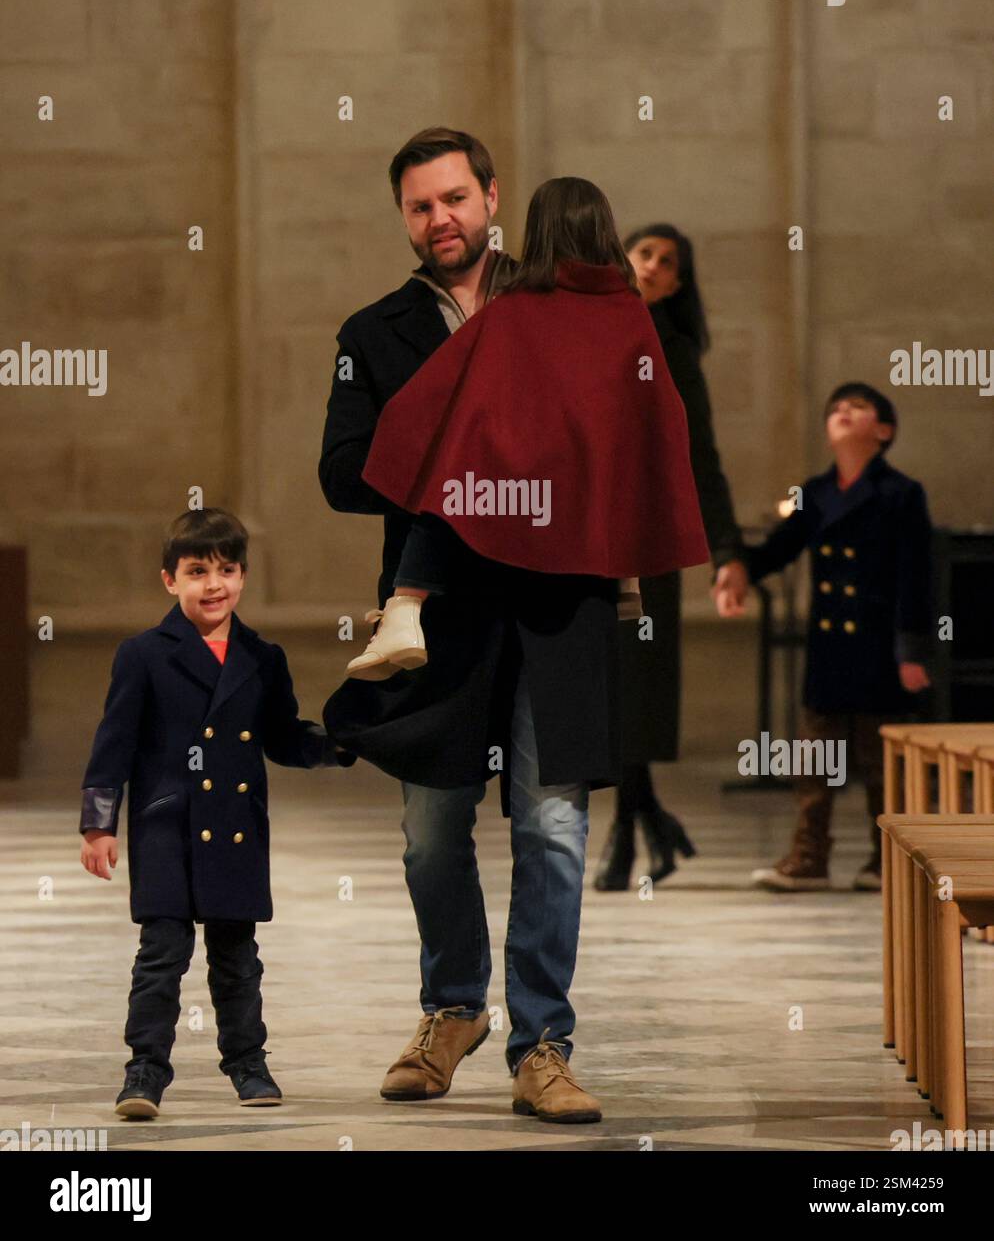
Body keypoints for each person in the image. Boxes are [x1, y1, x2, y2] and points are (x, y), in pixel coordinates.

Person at [318, 129, 708, 1124]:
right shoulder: (374, 329)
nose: (439, 218)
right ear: (403, 218)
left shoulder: (575, 307)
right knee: (431, 836)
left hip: (561, 602)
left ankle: (542, 1042)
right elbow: (341, 470)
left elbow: (642, 427)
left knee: (554, 828)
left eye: (454, 197)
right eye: (418, 206)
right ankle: (453, 1009)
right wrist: (463, 428)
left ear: (492, 198)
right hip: (441, 608)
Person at [343, 198, 708, 682]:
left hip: (516, 483)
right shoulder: (626, 309)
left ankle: (405, 605)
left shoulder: (517, 305)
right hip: (586, 494)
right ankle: (625, 576)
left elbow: (449, 387)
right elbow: (654, 411)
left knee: (451, 477)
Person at [78, 508, 354, 1118]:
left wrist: (335, 747)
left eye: (227, 570)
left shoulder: (262, 656)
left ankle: (248, 1065)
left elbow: (281, 736)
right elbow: (113, 744)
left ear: (244, 576)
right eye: (197, 570)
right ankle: (144, 1072)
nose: (214, 584)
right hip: (166, 828)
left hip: (235, 831)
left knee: (237, 959)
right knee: (161, 958)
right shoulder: (143, 654)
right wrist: (99, 823)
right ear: (168, 580)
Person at [594, 223, 748, 891]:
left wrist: (728, 553)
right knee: (611, 688)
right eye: (645, 253)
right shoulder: (587, 333)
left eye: (668, 263)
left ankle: (626, 835)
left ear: (679, 283)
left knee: (637, 686)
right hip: (589, 537)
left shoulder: (676, 350)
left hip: (650, 540)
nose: (653, 266)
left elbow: (700, 457)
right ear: (623, 259)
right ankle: (651, 821)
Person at [734, 385, 933, 891]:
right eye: (835, 408)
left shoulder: (902, 493)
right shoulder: (815, 493)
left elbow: (916, 577)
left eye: (857, 407)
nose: (842, 412)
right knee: (814, 759)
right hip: (828, 650)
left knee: (880, 765)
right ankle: (809, 857)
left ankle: (887, 861)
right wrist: (733, 565)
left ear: (883, 431)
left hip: (879, 648)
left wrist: (911, 650)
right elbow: (778, 550)